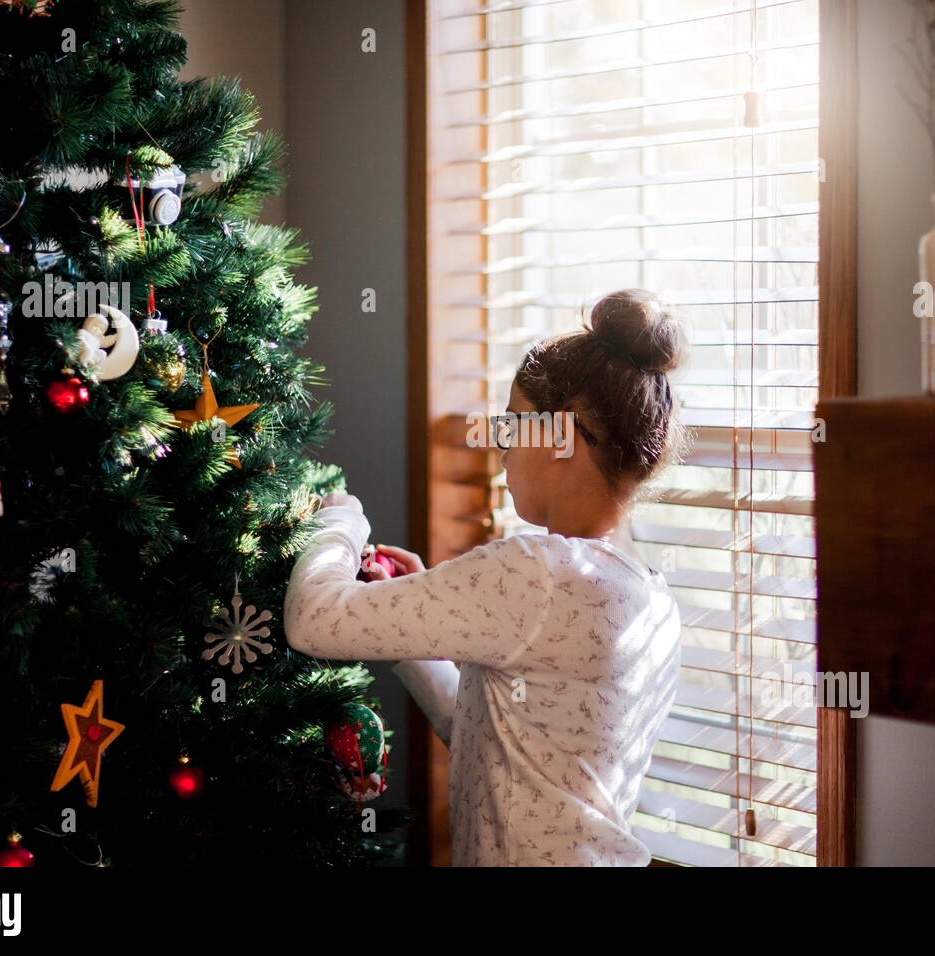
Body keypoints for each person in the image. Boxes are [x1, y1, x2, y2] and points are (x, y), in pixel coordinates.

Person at [283, 288, 691, 865]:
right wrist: (422, 625)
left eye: (514, 424)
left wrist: (341, 521)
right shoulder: (648, 598)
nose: (500, 448)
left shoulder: (537, 573)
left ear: (560, 441)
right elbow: (494, 736)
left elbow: (311, 620)